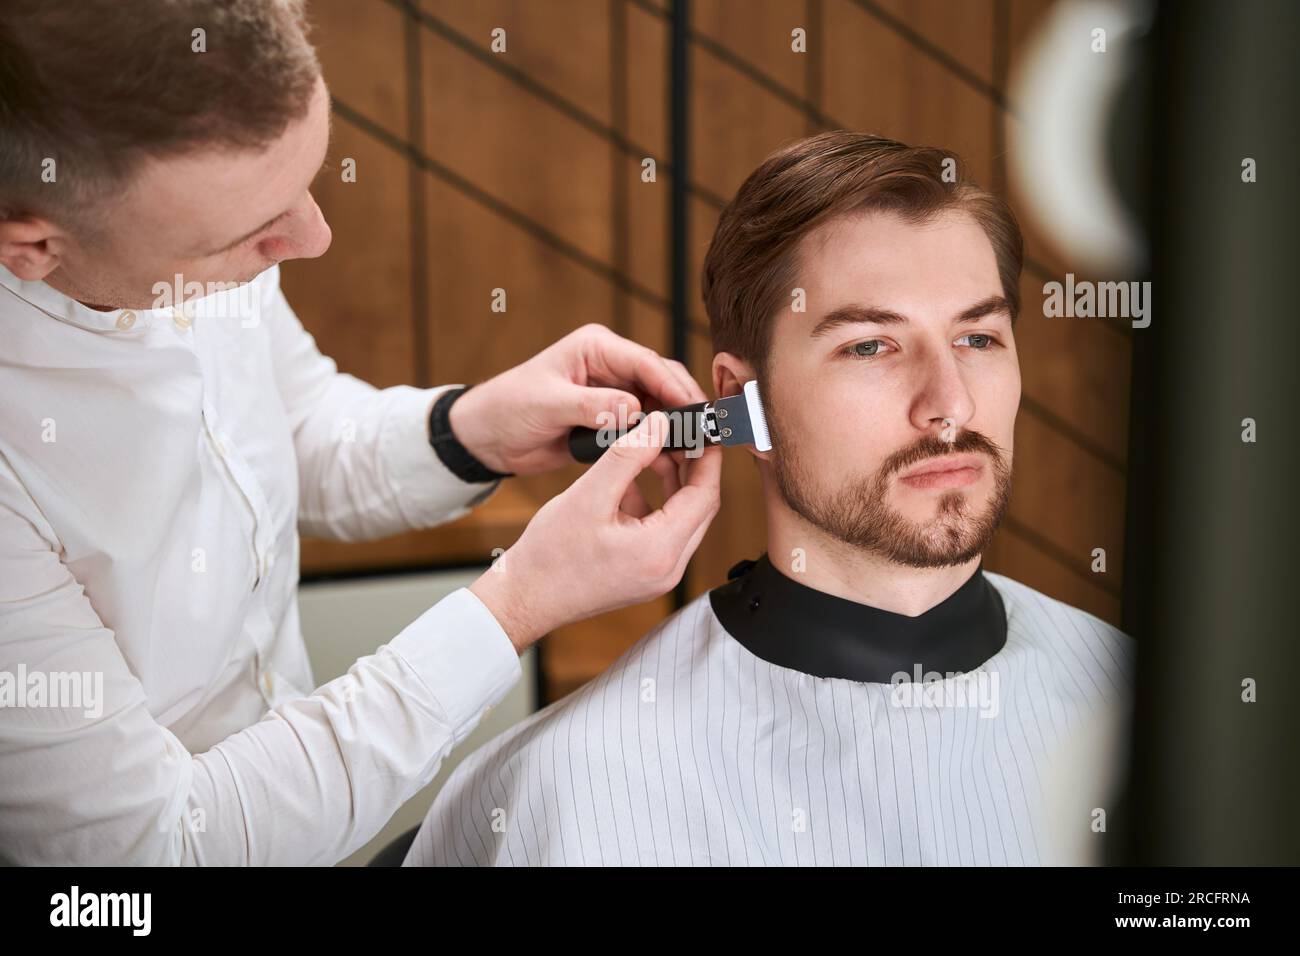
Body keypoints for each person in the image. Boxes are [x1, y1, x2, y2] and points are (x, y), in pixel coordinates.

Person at [0, 0, 720, 865]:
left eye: (305, 179)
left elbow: (287, 427)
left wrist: (468, 431)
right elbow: (158, 849)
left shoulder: (189, 224)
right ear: (32, 247)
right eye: (254, 233)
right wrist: (516, 604)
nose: (314, 235)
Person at [405, 131, 1135, 867]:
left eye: (977, 338)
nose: (949, 406)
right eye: (869, 347)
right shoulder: (569, 786)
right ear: (739, 401)